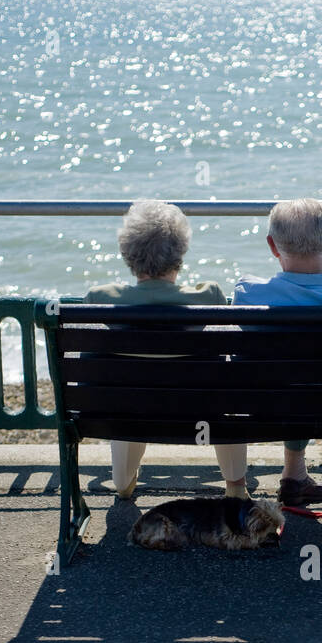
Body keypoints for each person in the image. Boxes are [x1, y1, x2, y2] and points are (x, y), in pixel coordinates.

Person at [84, 199, 249, 500]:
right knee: (227, 391)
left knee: (123, 389)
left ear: (127, 252)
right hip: (198, 412)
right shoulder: (207, 295)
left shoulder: (100, 298)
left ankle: (123, 482)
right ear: (180, 252)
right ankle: (236, 487)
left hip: (126, 411)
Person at [234, 198, 322, 505]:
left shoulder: (248, 296)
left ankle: (294, 473)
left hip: (266, 408)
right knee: (316, 382)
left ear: (272, 245)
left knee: (290, 382)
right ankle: (294, 476)